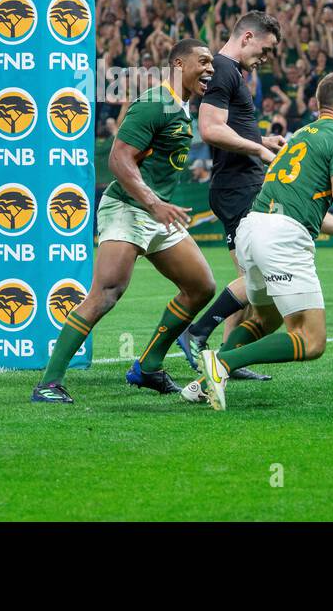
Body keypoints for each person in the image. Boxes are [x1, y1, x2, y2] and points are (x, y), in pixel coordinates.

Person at [193, 73, 333, 411]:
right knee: (311, 341)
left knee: (265, 320)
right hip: (282, 238)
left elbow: (312, 205)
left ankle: (205, 379)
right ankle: (220, 365)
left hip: (253, 229)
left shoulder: (301, 137)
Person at [32, 39, 217, 404]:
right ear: (178, 64)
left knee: (201, 287)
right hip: (128, 208)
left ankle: (148, 366)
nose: (210, 68)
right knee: (107, 292)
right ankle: (48, 384)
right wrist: (152, 202)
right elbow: (118, 159)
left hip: (156, 212)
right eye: (203, 61)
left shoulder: (180, 107)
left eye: (212, 62)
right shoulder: (155, 102)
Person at [176, 11, 283, 382]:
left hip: (238, 185)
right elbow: (209, 130)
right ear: (248, 37)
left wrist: (263, 141)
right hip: (238, 188)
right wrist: (259, 151)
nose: (266, 58)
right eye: (265, 50)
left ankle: (227, 358)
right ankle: (197, 332)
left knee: (252, 281)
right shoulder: (223, 69)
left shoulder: (229, 72)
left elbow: (228, 128)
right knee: (257, 277)